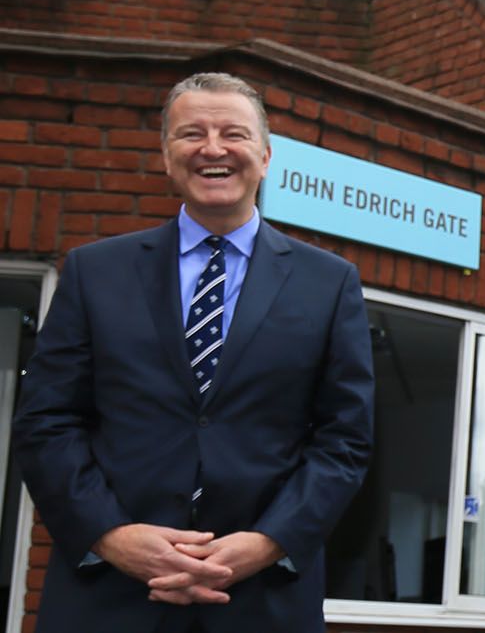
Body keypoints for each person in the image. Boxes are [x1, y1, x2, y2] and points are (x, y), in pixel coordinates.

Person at [12, 72, 375, 633]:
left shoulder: (329, 284)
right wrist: (111, 536)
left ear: (266, 155)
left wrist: (266, 543)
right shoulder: (94, 271)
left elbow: (344, 439)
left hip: (263, 600)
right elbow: (46, 421)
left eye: (233, 133)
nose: (212, 148)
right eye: (191, 134)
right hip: (107, 596)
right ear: (166, 156)